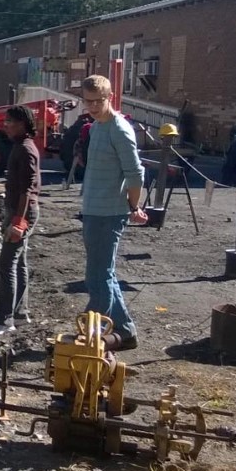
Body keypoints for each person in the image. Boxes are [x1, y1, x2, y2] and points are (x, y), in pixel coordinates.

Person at [79, 75, 147, 350]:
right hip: (93, 209)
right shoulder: (96, 127)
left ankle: (91, 333)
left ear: (111, 98)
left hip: (109, 213)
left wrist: (134, 206)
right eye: (89, 102)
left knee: (97, 276)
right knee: (103, 273)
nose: (93, 107)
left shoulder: (119, 129)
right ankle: (126, 331)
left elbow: (136, 173)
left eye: (99, 101)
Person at [0, 105, 41, 336]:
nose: (5, 126)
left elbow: (27, 190)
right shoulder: (21, 146)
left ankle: (3, 320)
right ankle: (20, 313)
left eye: (9, 122)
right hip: (20, 211)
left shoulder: (25, 150)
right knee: (20, 263)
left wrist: (18, 222)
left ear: (22, 124)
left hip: (21, 213)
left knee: (7, 265)